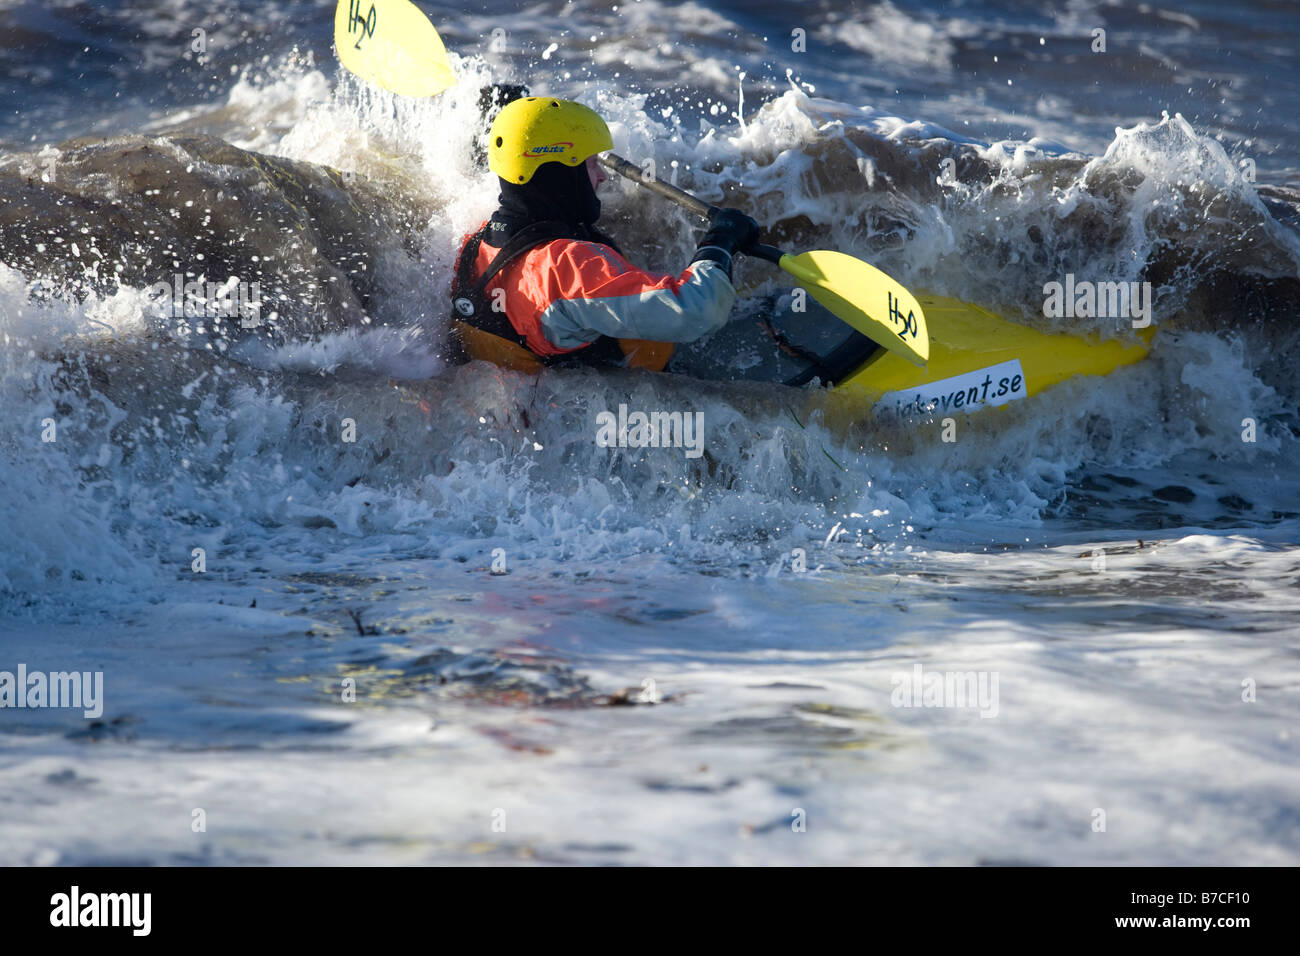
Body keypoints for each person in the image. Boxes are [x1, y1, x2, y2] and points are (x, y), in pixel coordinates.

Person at [450, 96, 761, 372]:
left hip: (524, 402)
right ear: (558, 174)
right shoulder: (567, 268)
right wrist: (719, 242)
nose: (601, 177)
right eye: (590, 164)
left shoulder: (477, 241)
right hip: (626, 403)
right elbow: (699, 310)